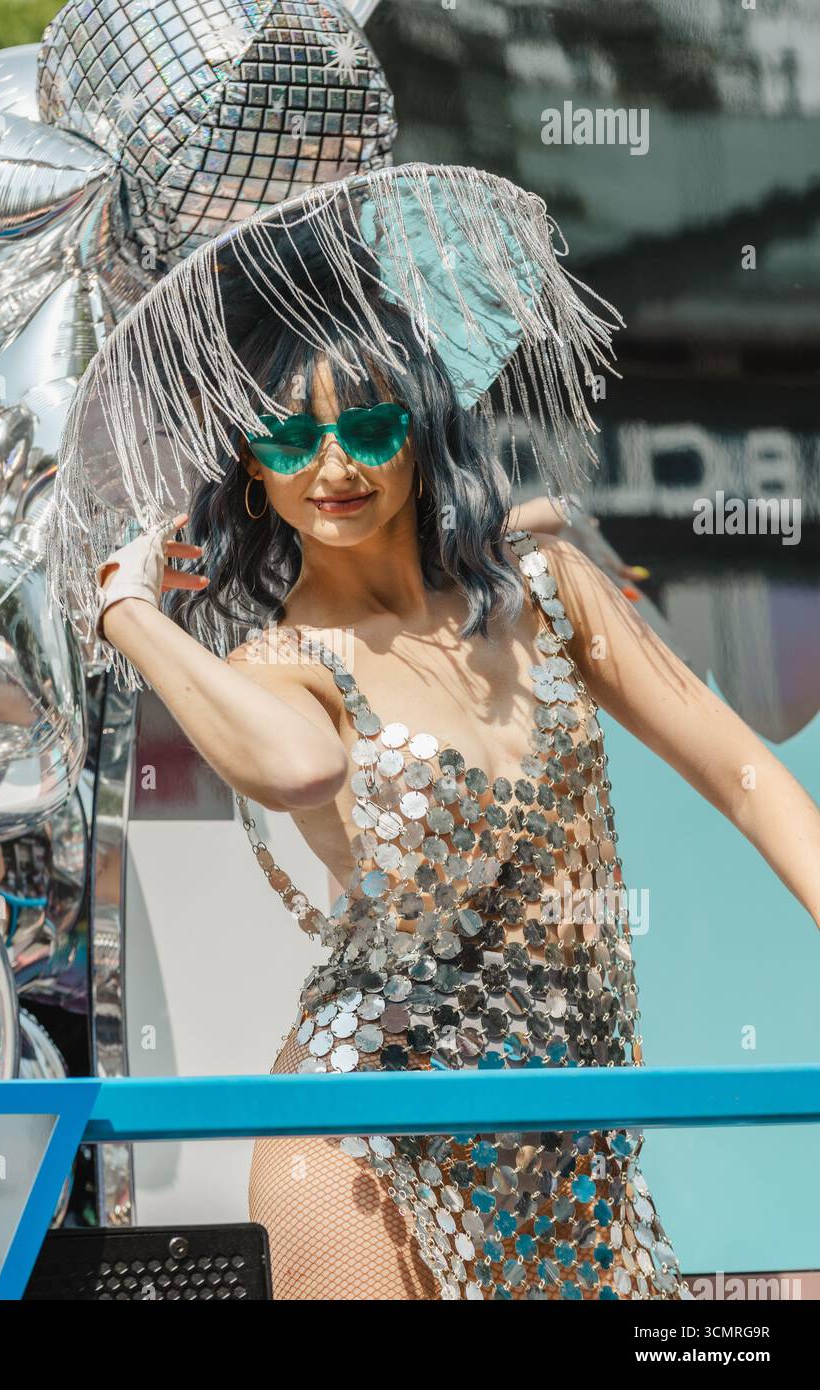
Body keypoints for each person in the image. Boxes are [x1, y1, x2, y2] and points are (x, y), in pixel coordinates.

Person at [47, 164, 820, 1300]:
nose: (331, 467)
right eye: (286, 441)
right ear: (249, 475)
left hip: (572, 1139)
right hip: (367, 1133)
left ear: (419, 423)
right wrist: (126, 614)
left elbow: (744, 769)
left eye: (364, 425)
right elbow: (298, 765)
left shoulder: (544, 589)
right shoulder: (281, 666)